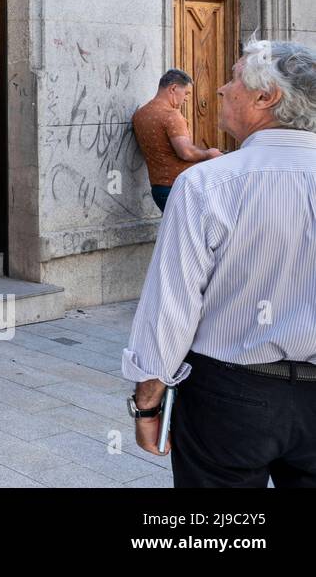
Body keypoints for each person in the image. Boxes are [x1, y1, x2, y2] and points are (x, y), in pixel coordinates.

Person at [122, 40, 316, 487]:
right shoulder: (206, 182)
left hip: (229, 397)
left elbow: (170, 309)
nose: (222, 90)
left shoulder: (208, 185)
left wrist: (148, 402)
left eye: (234, 79)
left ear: (267, 97)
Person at [132, 68, 222, 212]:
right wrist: (209, 154)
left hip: (158, 190)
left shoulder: (140, 114)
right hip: (178, 189)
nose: (186, 98)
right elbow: (185, 152)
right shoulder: (171, 115)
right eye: (186, 93)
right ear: (173, 88)